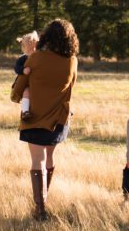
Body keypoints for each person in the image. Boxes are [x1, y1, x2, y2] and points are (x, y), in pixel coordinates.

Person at [10, 19, 78, 220]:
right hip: (58, 119)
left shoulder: (36, 58)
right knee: (49, 158)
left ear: (46, 35)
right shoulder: (72, 61)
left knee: (37, 160)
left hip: (35, 118)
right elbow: (71, 88)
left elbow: (16, 93)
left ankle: (40, 209)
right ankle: (43, 203)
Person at [13, 31, 39, 120]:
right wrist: (23, 70)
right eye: (30, 50)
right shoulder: (22, 58)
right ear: (25, 49)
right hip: (26, 83)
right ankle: (25, 111)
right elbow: (16, 68)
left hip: (37, 82)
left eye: (34, 49)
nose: (33, 51)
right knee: (26, 92)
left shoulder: (40, 58)